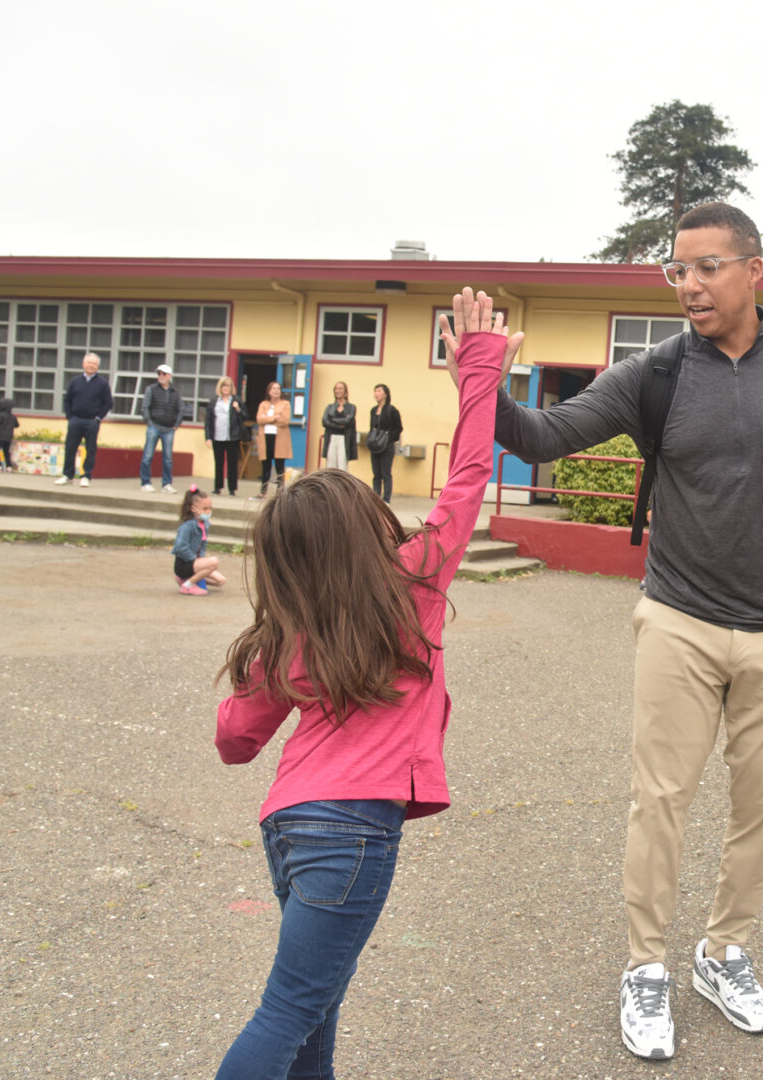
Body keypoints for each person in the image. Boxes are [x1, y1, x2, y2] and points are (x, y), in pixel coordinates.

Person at [485, 203, 763, 1061]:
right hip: (678, 620)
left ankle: (723, 954)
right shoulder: (657, 375)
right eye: (676, 270)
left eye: (708, 266)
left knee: (762, 810)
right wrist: (481, 377)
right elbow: (539, 438)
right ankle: (646, 966)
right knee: (661, 803)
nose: (689, 285)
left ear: (757, 269)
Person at [211, 290, 511, 1079]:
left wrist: (261, 658)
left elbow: (235, 742)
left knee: (316, 1005)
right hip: (352, 831)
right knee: (289, 1010)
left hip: (290, 825)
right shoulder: (411, 579)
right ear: (368, 520)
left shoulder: (289, 629)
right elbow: (469, 478)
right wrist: (478, 365)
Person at [55, 353, 112, 487]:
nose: (91, 366)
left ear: (97, 366)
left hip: (91, 422)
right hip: (75, 420)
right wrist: (69, 416)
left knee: (90, 449)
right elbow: (67, 399)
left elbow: (108, 403)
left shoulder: (102, 383)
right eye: (89, 363)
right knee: (70, 448)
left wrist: (98, 418)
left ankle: (86, 476)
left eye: (94, 364)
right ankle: (67, 475)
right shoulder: (75, 381)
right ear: (83, 364)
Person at [172, 485, 224, 595]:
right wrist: (195, 560)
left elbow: (202, 546)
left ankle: (187, 580)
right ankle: (187, 586)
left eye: (210, 508)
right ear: (193, 509)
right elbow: (180, 547)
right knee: (214, 562)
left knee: (220, 581)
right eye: (205, 509)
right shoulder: (187, 527)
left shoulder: (204, 525)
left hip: (195, 563)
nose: (208, 512)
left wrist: (202, 562)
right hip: (184, 564)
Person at [140, 363, 184, 493]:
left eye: (164, 374)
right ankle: (145, 482)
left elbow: (181, 409)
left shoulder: (176, 393)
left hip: (169, 428)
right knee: (148, 455)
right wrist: (149, 422)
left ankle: (166, 484)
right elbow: (145, 407)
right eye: (159, 374)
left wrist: (176, 424)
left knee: (168, 458)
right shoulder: (151, 389)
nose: (161, 376)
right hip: (154, 426)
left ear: (169, 376)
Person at [205, 376, 247, 497]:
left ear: (231, 388)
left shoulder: (236, 400)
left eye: (228, 386)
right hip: (217, 436)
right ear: (220, 387)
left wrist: (238, 408)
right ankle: (217, 487)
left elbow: (245, 416)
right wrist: (208, 437)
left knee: (232, 463)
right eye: (224, 385)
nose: (226, 388)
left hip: (232, 437)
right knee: (218, 462)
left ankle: (232, 488)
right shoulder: (214, 401)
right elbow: (208, 421)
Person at [253, 381, 291, 498]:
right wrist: (274, 417)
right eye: (273, 388)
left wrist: (267, 418)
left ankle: (280, 492)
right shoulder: (263, 404)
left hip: (279, 438)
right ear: (269, 391)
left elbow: (284, 421)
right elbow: (259, 420)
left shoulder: (285, 404)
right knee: (266, 465)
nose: (276, 391)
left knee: (279, 465)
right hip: (266, 438)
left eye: (278, 389)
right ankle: (263, 491)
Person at [367, 383, 403, 502]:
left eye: (379, 391)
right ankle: (376, 498)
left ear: (385, 394)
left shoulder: (391, 410)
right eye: (375, 391)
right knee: (376, 474)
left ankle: (386, 500)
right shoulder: (373, 410)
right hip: (375, 445)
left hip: (386, 446)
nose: (376, 394)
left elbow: (399, 428)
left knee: (386, 473)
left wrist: (389, 439)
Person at [319, 381, 357, 471]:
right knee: (330, 467)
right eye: (336, 388)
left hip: (344, 439)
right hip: (331, 438)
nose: (338, 391)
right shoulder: (330, 407)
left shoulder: (351, 407)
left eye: (340, 388)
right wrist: (340, 424)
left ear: (345, 392)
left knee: (342, 466)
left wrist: (332, 419)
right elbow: (324, 422)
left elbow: (348, 421)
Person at [0, 394, 19, 473]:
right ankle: (9, 466)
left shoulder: (0, 416)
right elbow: (17, 425)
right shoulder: (13, 417)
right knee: (6, 452)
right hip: (8, 437)